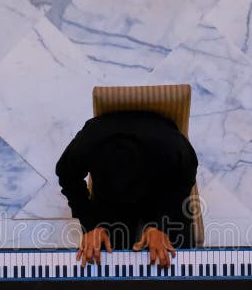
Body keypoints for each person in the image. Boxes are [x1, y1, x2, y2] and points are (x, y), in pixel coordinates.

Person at [56, 110, 198, 268]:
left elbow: (185, 177)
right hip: (111, 202)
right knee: (106, 261)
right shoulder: (90, 141)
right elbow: (66, 175)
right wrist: (91, 225)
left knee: (177, 259)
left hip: (161, 193)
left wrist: (161, 226)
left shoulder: (170, 145)